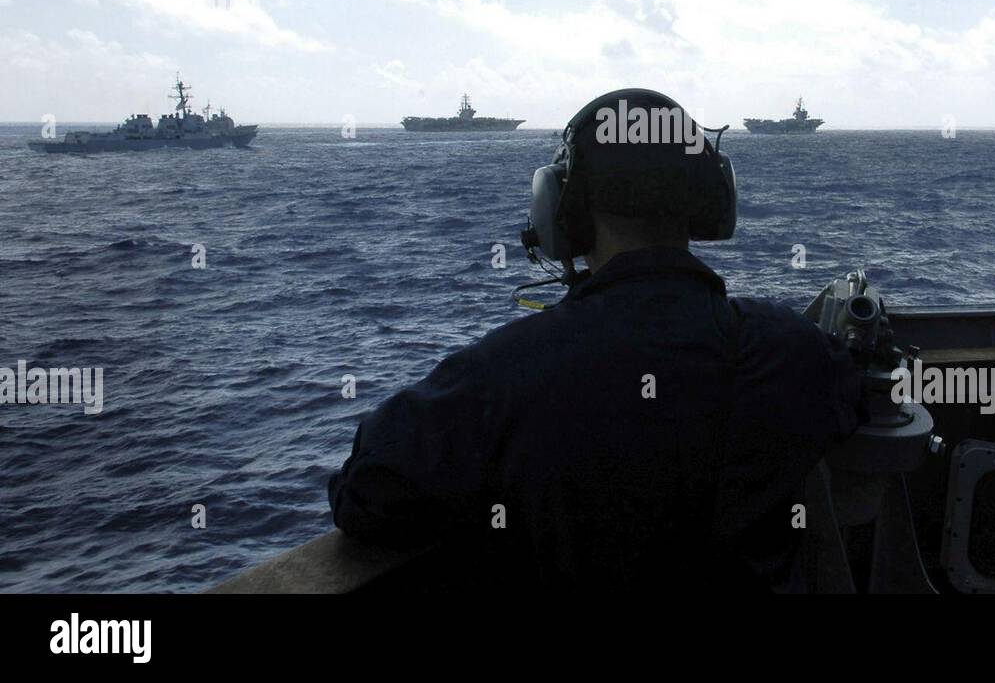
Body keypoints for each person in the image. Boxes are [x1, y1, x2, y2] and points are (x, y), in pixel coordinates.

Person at [328, 89, 865, 591]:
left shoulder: (500, 373)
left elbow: (365, 495)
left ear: (561, 212)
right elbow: (855, 403)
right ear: (714, 202)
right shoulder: (797, 350)